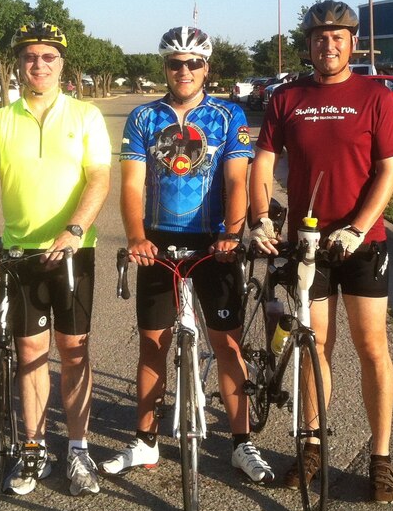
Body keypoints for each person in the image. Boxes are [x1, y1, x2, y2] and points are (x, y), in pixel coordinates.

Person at [249, 0, 393, 503]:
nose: (329, 44)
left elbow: (389, 168)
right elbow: (263, 162)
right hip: (308, 244)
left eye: (338, 36)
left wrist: (359, 228)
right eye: (320, 37)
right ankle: (312, 445)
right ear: (309, 45)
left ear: (352, 43)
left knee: (372, 346)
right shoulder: (287, 97)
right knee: (314, 346)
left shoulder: (374, 95)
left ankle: (380, 458)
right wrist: (257, 218)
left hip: (362, 245)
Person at [101, 26, 275, 484]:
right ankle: (145, 441)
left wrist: (232, 233)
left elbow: (238, 181)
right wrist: (137, 236)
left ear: (206, 68)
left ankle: (241, 444)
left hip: (215, 242)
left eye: (193, 63)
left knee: (227, 343)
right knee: (153, 344)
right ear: (165, 68)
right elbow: (132, 185)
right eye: (175, 63)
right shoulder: (143, 117)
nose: (184, 70)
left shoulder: (227, 115)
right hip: (156, 242)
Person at [0, 21, 112, 497]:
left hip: (72, 254)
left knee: (74, 351)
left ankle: (80, 448)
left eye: (48, 56)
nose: (39, 64)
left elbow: (99, 179)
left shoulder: (86, 116)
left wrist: (73, 231)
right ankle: (33, 447)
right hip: (21, 255)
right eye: (30, 57)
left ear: (62, 64)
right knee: (29, 353)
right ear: (19, 64)